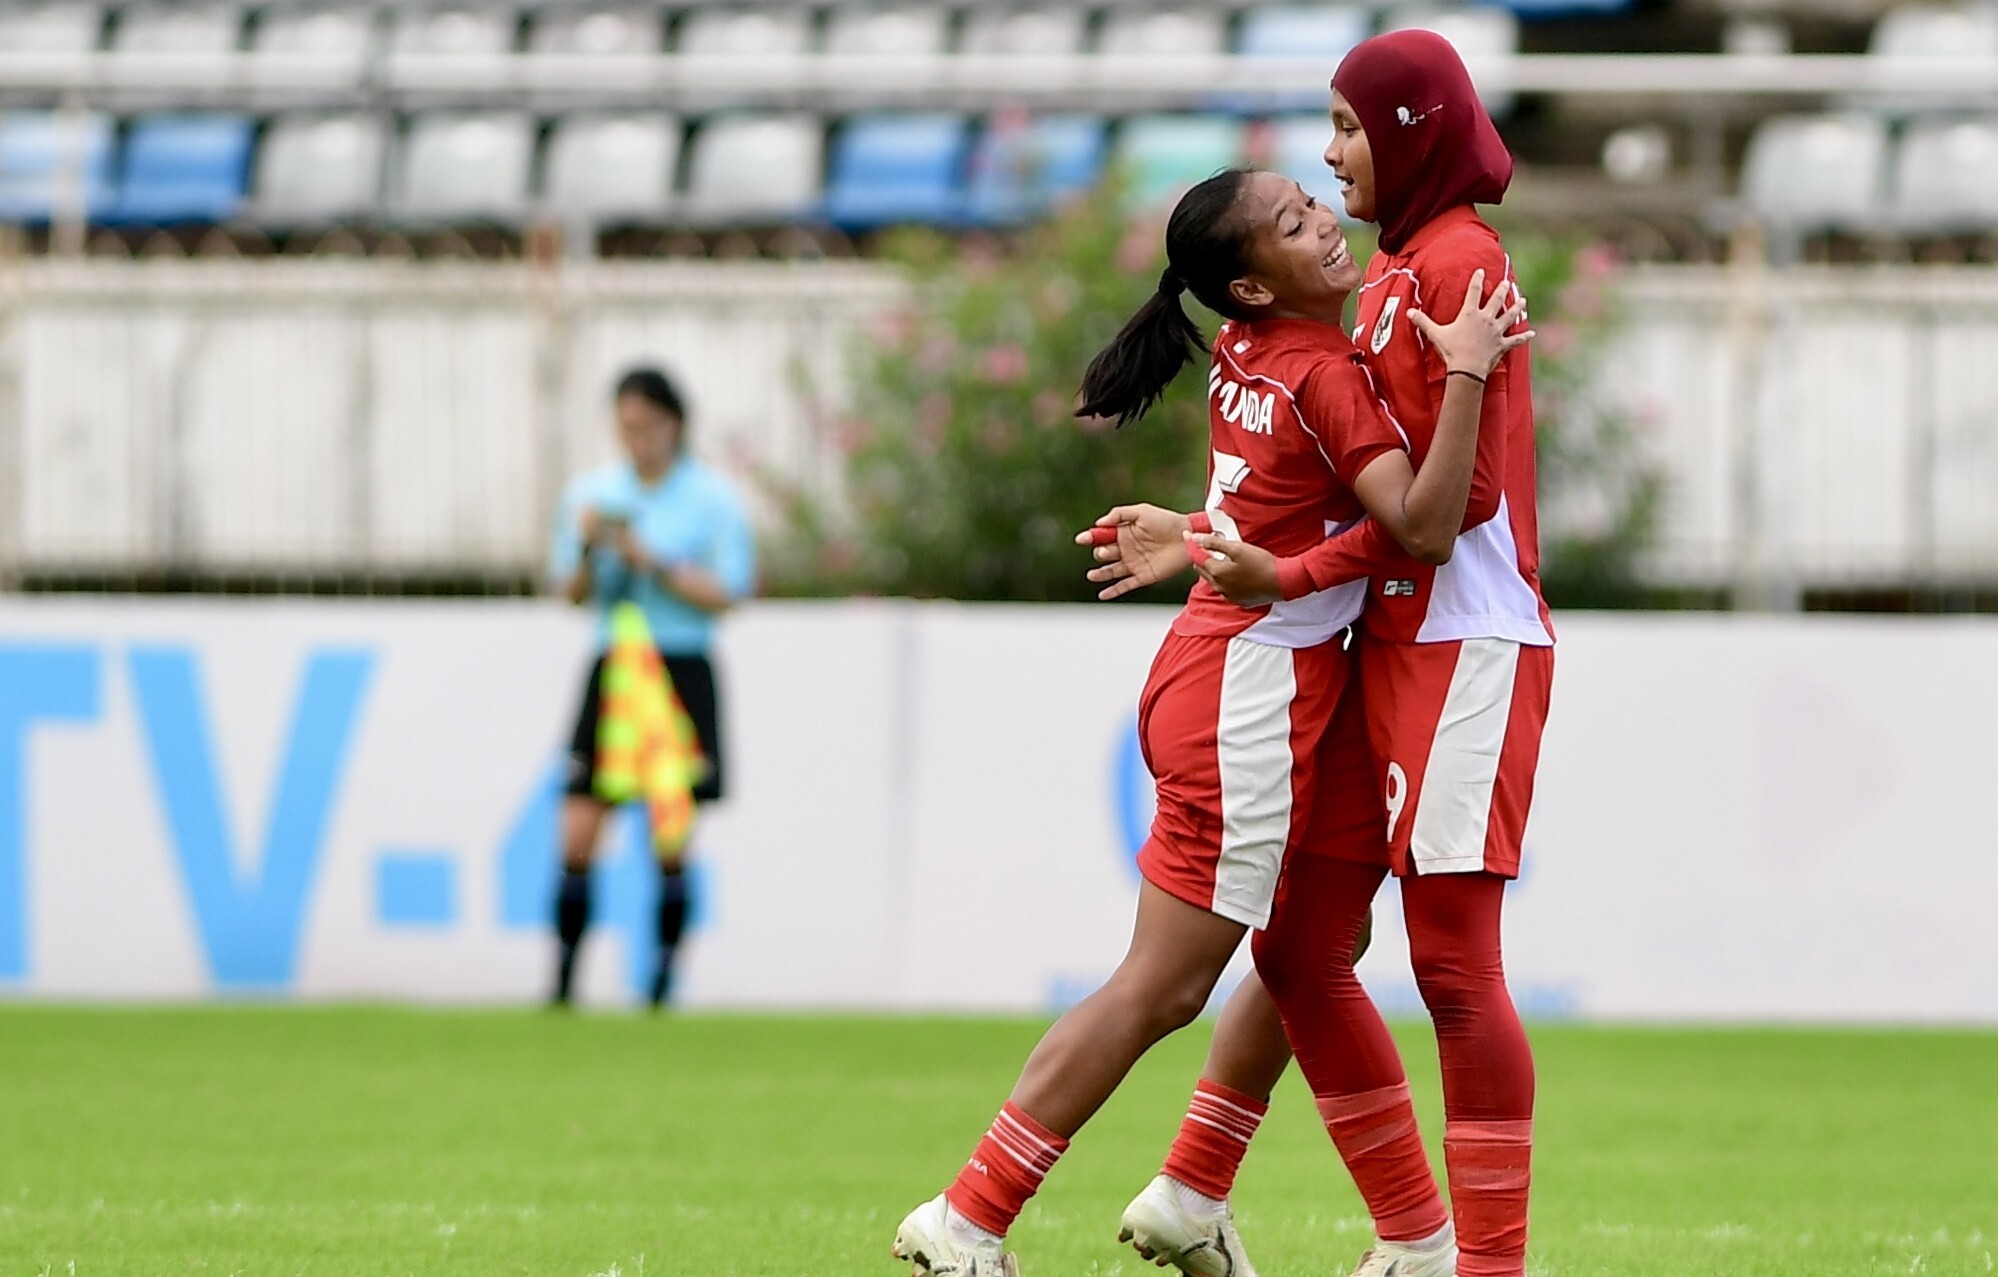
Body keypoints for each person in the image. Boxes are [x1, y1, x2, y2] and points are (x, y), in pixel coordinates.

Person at [889, 167, 1530, 1277]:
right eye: (1293, 224)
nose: (1325, 219)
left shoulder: (1252, 351)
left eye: (1314, 199)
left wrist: (1197, 534)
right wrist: (1468, 371)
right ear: (1250, 285)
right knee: (1166, 983)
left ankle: (1214, 1192)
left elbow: (1275, 502)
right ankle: (970, 1214)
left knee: (1315, 946)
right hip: (1249, 694)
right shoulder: (1322, 372)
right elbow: (1426, 523)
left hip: (1238, 670)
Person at [1084, 31, 1555, 1277]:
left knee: (1453, 964)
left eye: (1348, 129)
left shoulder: (1457, 260)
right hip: (1380, 641)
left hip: (1461, 642)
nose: (1330, 155)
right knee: (1297, 946)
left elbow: (1440, 516)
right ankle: (1363, 1229)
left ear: (1409, 134)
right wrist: (1200, 535)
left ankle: (1482, 1264)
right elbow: (1330, 487)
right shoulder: (1393, 267)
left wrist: (1268, 568)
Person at [546, 367, 755, 1009]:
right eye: (625, 429)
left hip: (681, 669)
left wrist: (654, 562)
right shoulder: (592, 493)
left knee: (671, 834)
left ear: (674, 426)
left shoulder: (712, 499)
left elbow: (728, 593)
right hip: (617, 666)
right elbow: (569, 593)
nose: (635, 441)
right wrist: (588, 551)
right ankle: (563, 983)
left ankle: (662, 983)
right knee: (578, 830)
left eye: (646, 428)